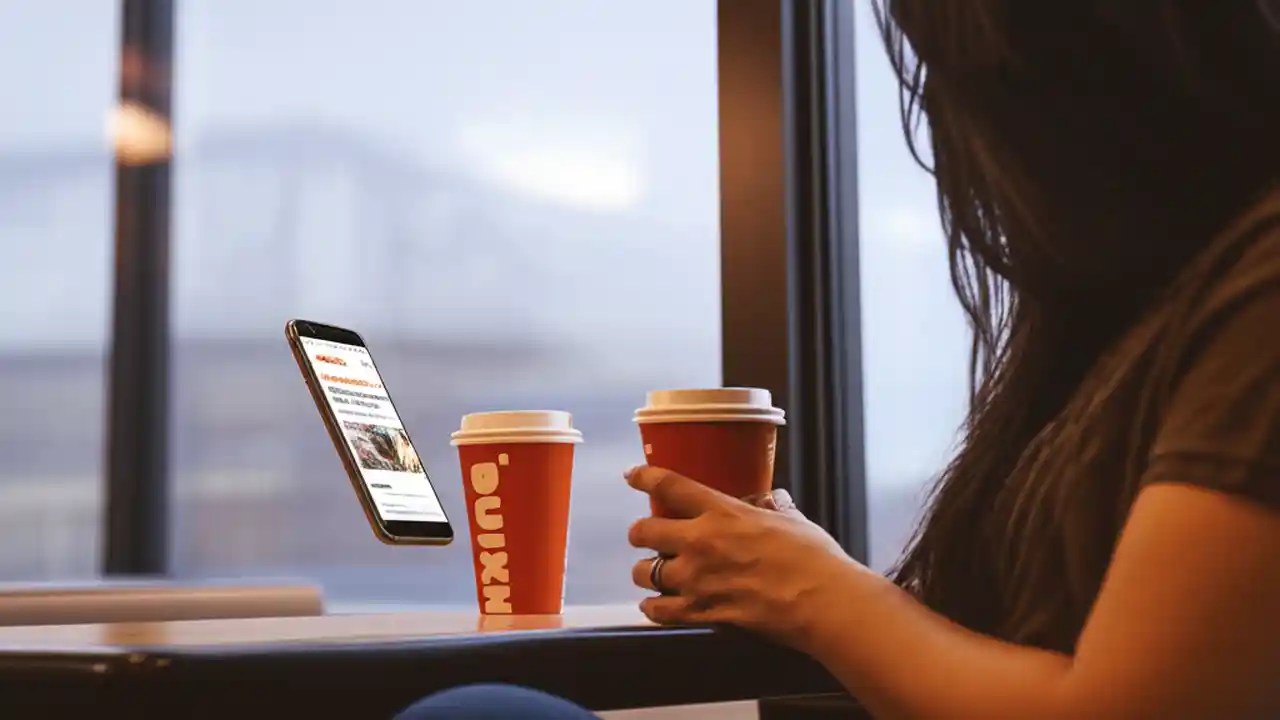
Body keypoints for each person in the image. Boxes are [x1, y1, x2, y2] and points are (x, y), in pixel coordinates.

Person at [400, 1, 1280, 717]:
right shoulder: (1139, 318)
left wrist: (819, 595)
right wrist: (801, 580)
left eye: (966, 88)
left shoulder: (1258, 293)